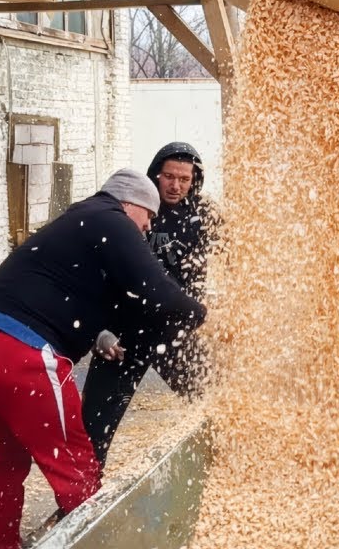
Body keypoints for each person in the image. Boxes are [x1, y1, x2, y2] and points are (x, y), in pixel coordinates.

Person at [0, 169, 206, 549]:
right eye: (148, 216)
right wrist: (207, 318)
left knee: (8, 454)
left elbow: (67, 288)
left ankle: (1, 543)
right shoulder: (112, 219)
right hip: (21, 352)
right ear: (131, 203)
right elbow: (156, 290)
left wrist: (99, 333)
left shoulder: (78, 220)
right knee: (75, 464)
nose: (148, 227)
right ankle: (95, 541)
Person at [82, 143, 218, 467]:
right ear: (155, 175)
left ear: (194, 179)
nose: (175, 186)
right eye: (169, 176)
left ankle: (225, 469)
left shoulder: (205, 217)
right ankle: (80, 493)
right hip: (125, 329)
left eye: (184, 179)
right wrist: (99, 331)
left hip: (174, 328)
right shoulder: (134, 210)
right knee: (95, 421)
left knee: (214, 396)